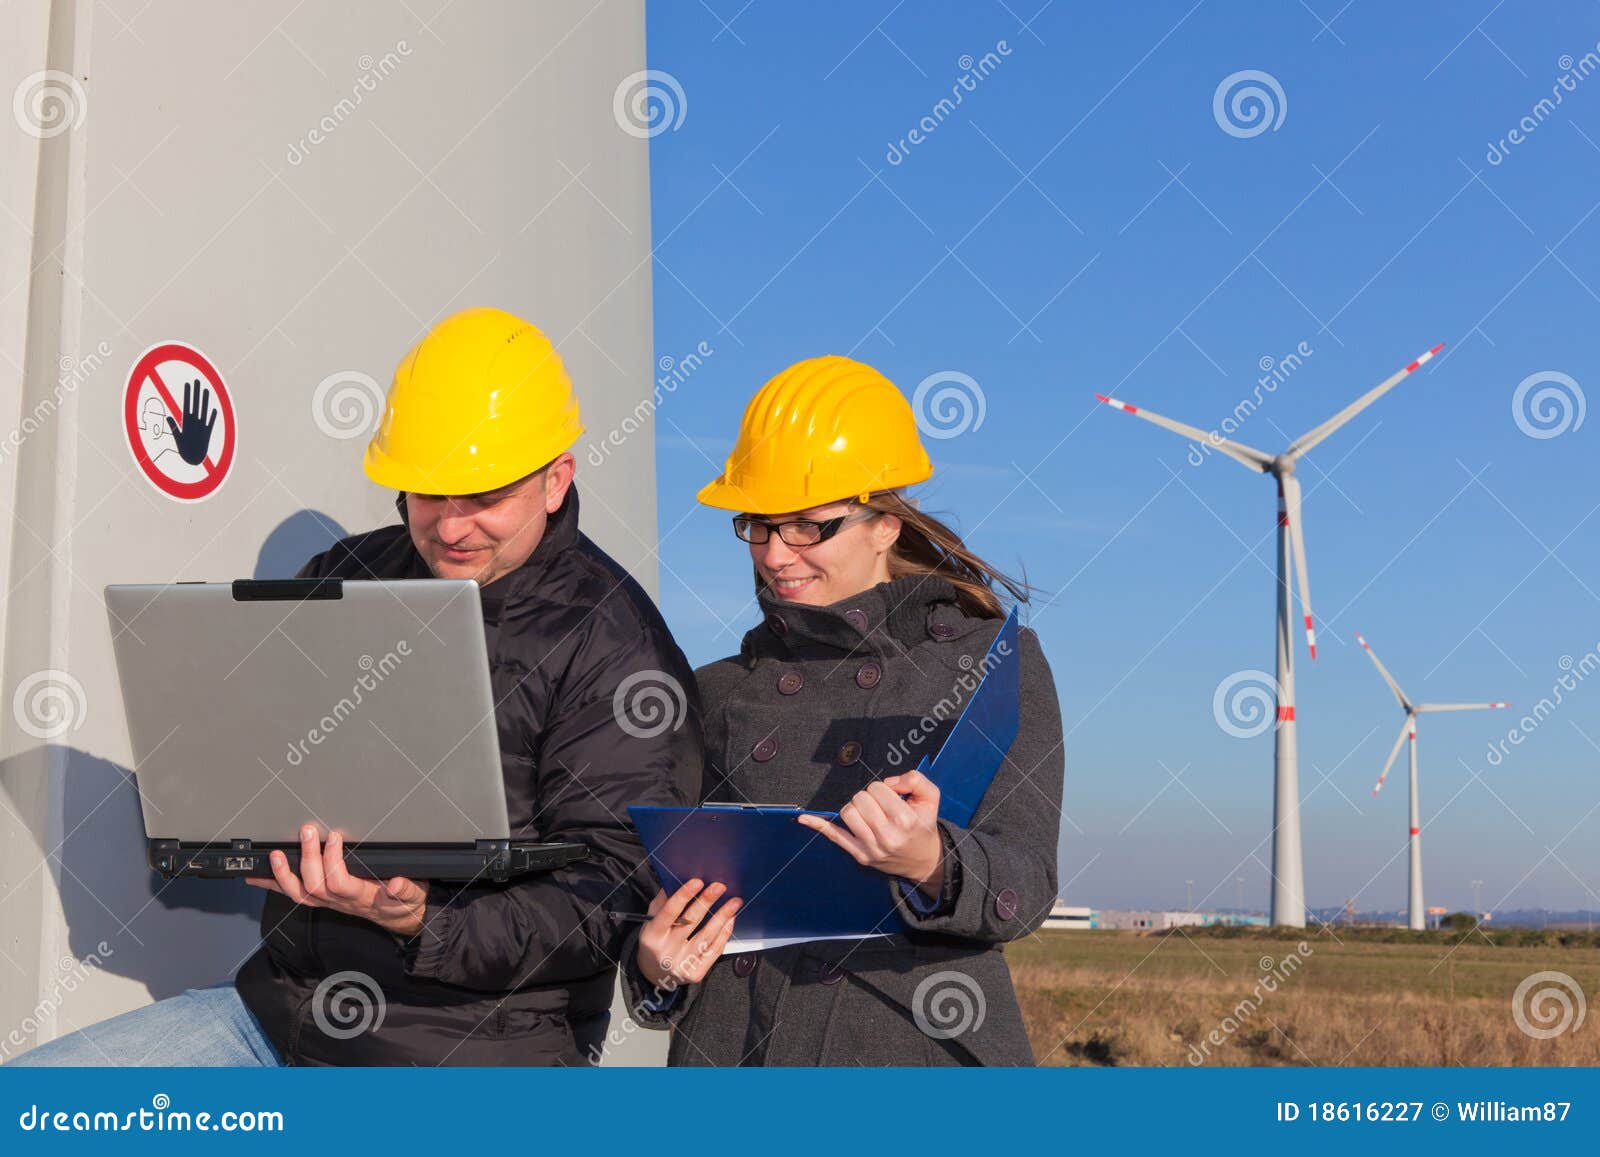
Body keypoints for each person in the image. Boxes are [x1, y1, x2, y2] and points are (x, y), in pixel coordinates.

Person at [10, 307, 702, 1067]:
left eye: (482, 497)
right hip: (280, 1019)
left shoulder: (618, 646)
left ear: (554, 479)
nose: (450, 525)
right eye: (425, 493)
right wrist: (236, 826)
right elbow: (273, 756)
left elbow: (608, 897)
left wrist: (418, 922)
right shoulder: (348, 574)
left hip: (474, 1053)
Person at [622, 355, 1064, 1065]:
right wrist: (657, 966)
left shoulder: (987, 664)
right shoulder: (714, 690)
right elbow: (656, 907)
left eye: (807, 527)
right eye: (758, 526)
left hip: (906, 1048)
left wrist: (931, 860)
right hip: (735, 1050)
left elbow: (1027, 883)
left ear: (885, 523)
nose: (774, 554)